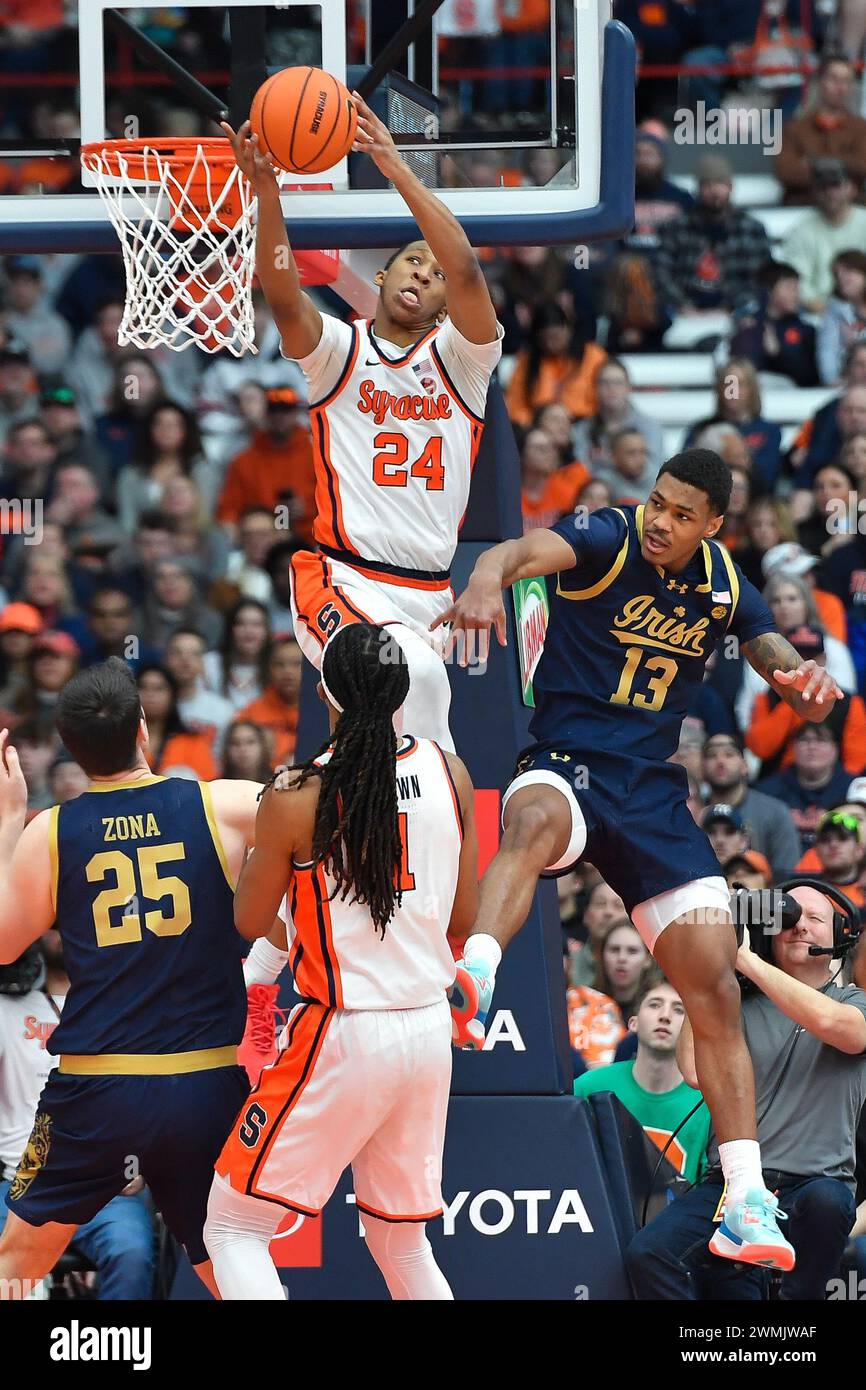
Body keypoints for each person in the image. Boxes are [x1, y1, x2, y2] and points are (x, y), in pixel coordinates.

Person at [441, 447, 845, 1270]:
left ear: (713, 525)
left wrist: (795, 680)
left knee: (714, 986)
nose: (661, 521)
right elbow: (522, 552)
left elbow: (764, 645)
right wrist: (488, 575)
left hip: (654, 794)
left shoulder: (725, 582)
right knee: (530, 825)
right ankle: (475, 976)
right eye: (657, 502)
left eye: (681, 514)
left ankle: (744, 1198)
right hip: (566, 760)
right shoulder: (609, 537)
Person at [203, 623, 479, 1301]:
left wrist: (277, 877)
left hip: (346, 1032)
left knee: (234, 1225)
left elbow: (246, 920)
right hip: (425, 1033)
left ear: (324, 691)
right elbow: (463, 922)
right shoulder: (452, 772)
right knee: (401, 1242)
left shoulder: (298, 792)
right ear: (403, 692)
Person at [222, 97, 502, 754]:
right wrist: (267, 190)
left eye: (433, 276)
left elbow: (464, 263)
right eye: (412, 262)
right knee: (416, 677)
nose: (426, 274)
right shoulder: (339, 353)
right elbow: (283, 289)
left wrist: (395, 167)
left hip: (430, 595)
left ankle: (396, 849)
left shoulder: (464, 362)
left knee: (423, 756)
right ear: (381, 275)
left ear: (442, 308)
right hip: (342, 578)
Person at [0, 657, 267, 1297]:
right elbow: (317, 823)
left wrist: (10, 815)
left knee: (15, 1265)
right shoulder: (221, 803)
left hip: (97, 1092)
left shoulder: (52, 832)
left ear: (70, 746)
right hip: (204, 1084)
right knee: (230, 1265)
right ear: (144, 729)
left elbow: (5, 947)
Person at [627, 883, 866, 1300]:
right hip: (732, 1183)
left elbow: (841, 1030)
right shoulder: (737, 999)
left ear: (841, 935)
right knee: (650, 1254)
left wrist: (746, 959)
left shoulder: (854, 1002)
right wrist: (713, 971)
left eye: (815, 919)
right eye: (789, 918)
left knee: (828, 1202)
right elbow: (694, 1071)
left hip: (814, 1184)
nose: (799, 927)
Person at [0, 933, 155, 1299]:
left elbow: (148, 1101)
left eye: (70, 915)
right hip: (15, 1186)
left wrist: (137, 1167)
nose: (62, 929)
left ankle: (116, 1350)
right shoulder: (5, 1010)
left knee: (131, 1253)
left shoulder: (123, 1012)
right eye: (51, 919)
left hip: (100, 1189)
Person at [574, 978, 711, 1186]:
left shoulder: (707, 1104)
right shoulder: (589, 1087)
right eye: (655, 1005)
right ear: (633, 1023)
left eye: (679, 1010)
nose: (665, 1016)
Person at [654, 155, 771, 320]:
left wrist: (731, 308)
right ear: (698, 189)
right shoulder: (676, 227)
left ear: (730, 186)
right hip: (683, 310)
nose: (714, 191)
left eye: (720, 183)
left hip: (736, 311)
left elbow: (761, 279)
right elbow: (662, 273)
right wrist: (683, 305)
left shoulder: (751, 228)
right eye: (707, 185)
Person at [701, 732, 802, 876]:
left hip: (764, 896)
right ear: (702, 767)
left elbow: (786, 877)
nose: (720, 761)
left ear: (745, 765)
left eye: (729, 754)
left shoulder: (776, 813)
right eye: (712, 755)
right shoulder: (691, 814)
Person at [775, 53, 866, 205]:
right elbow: (785, 171)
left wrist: (813, 162)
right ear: (820, 81)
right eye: (834, 79)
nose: (841, 87)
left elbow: (863, 165)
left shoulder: (861, 128)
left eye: (846, 81)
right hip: (803, 207)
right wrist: (844, 165)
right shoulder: (794, 128)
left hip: (850, 209)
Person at [781, 158, 866, 313]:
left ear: (851, 188)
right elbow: (797, 281)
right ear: (813, 192)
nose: (830, 193)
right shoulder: (800, 232)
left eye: (835, 185)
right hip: (818, 313)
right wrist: (829, 313)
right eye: (823, 187)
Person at [758, 723, 853, 854]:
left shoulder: (852, 790)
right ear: (793, 748)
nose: (812, 747)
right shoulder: (768, 791)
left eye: (821, 740)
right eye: (804, 740)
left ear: (835, 750)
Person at [728, 262, 818, 387]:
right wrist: (746, 338)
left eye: (797, 289)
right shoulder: (747, 325)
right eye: (789, 288)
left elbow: (810, 377)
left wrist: (778, 354)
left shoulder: (806, 330)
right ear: (769, 291)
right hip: (750, 397)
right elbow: (735, 372)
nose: (796, 294)